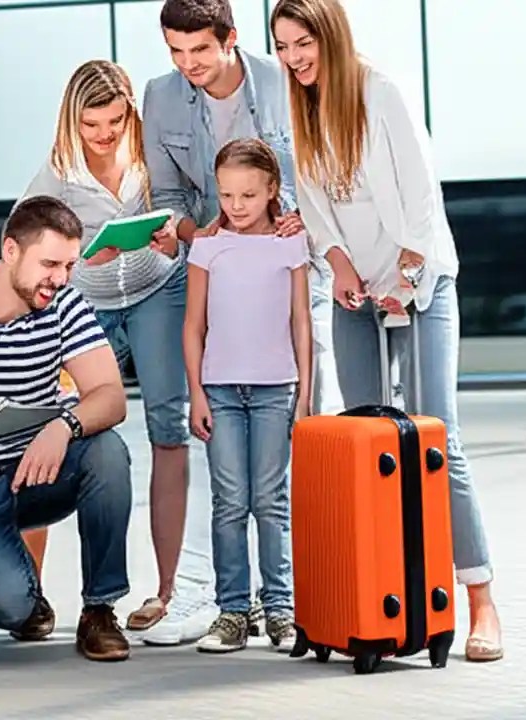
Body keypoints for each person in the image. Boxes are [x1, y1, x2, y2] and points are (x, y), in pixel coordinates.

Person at [270, 0, 504, 662]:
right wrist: (341, 268)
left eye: (302, 43)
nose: (293, 58)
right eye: (283, 47)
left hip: (422, 282)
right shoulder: (302, 105)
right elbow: (316, 204)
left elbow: (422, 194)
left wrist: (405, 273)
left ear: (330, 35)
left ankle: (481, 600)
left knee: (438, 436)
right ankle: (378, 594)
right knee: (365, 437)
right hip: (356, 290)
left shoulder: (382, 92)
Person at [137, 0, 341, 646]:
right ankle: (226, 602)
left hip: (290, 282)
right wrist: (211, 238)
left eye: (199, 49)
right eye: (175, 52)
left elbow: (317, 171)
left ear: (230, 39)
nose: (187, 65)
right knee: (229, 489)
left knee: (291, 473)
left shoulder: (283, 82)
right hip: (214, 273)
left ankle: (297, 600)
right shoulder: (162, 99)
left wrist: (300, 222)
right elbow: (168, 199)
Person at [0, 195, 135, 662]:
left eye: (69, 265)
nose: (60, 278)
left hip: (36, 473)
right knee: (12, 611)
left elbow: (111, 396)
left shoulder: (64, 307)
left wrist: (63, 426)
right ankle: (26, 599)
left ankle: (99, 610)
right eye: (50, 263)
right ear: (10, 250)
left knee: (107, 453)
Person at [15, 59, 196, 623]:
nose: (104, 135)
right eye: (92, 124)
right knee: (53, 427)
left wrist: (173, 241)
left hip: (156, 292)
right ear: (74, 119)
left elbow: (184, 214)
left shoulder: (150, 153)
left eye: (115, 121)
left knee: (170, 427)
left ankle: (167, 592)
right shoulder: (57, 171)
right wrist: (86, 255)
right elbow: (23, 240)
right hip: (87, 306)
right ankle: (31, 595)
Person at [182, 138, 310, 652]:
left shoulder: (290, 246)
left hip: (277, 389)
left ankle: (281, 608)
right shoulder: (207, 247)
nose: (236, 206)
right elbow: (193, 326)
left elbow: (301, 321)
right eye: (228, 195)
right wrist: (196, 393)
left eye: (248, 196)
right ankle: (234, 611)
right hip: (221, 390)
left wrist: (304, 393)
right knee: (229, 502)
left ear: (272, 190)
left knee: (271, 502)